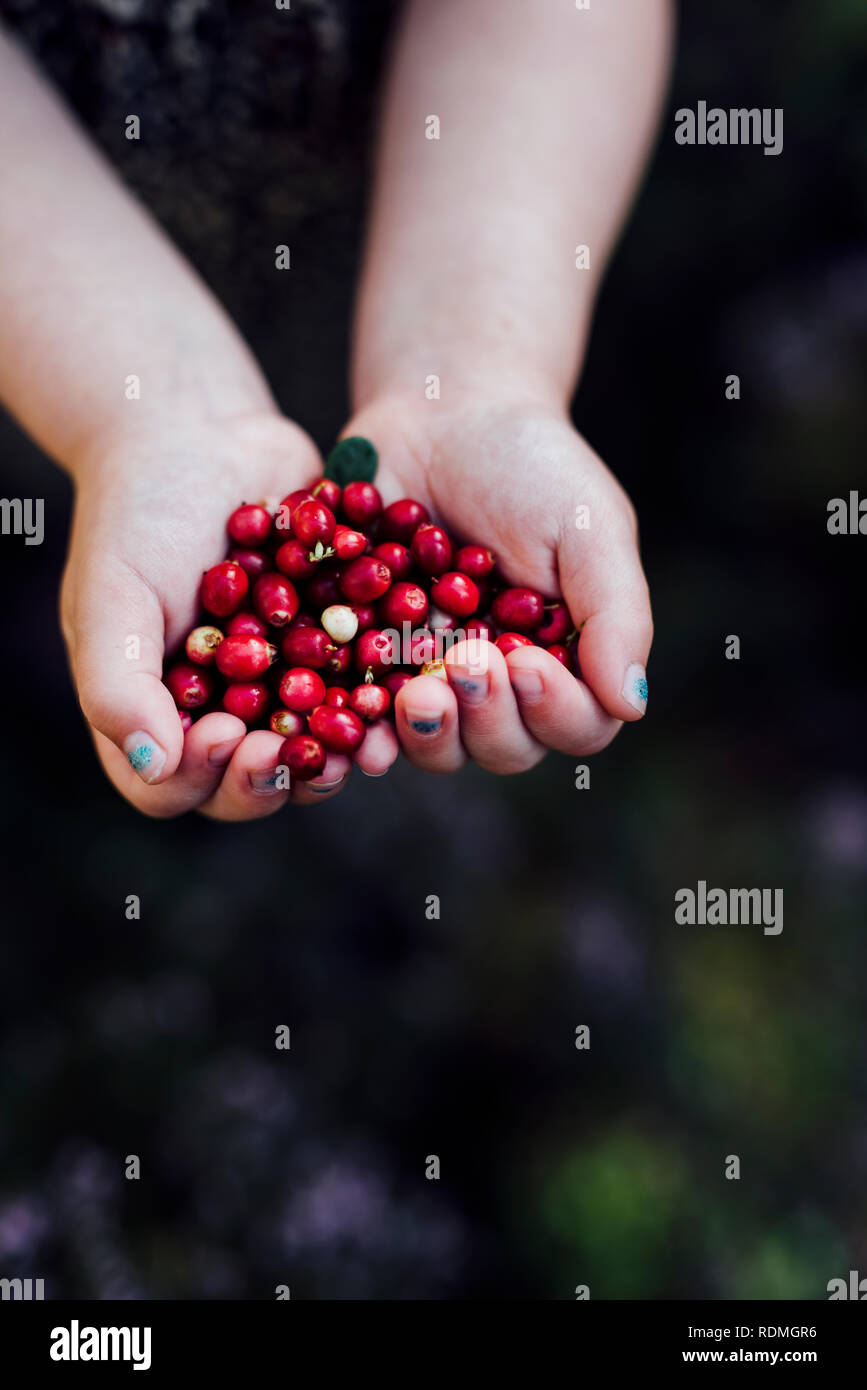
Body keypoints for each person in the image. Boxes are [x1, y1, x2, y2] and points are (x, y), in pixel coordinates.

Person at [0, 0, 670, 818]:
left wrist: (474, 367)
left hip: (445, 221)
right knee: (76, 555)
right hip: (48, 313)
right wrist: (136, 415)